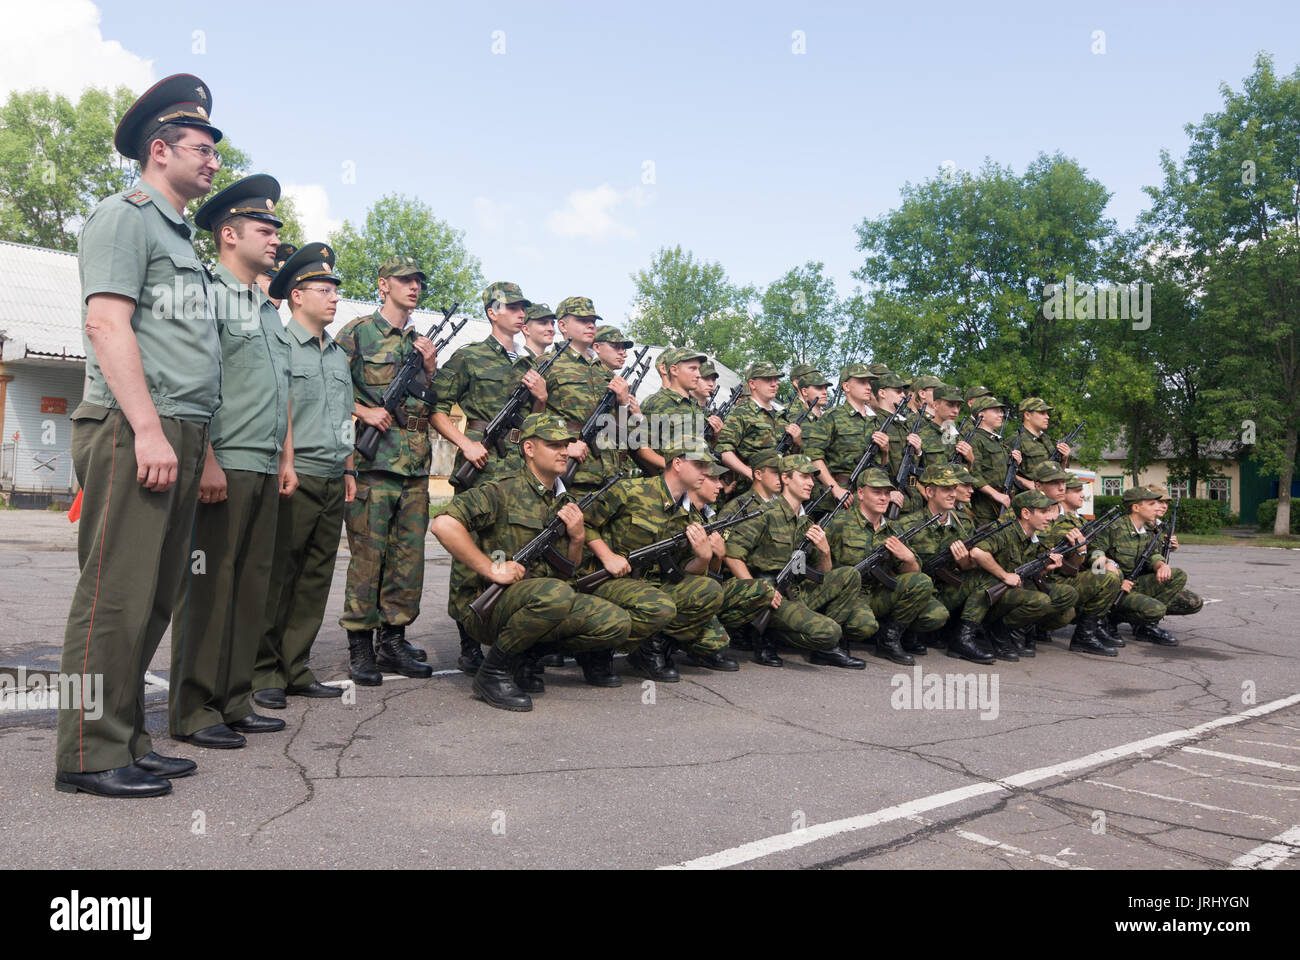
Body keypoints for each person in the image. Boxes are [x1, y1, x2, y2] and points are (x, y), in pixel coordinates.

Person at [55, 74, 223, 797]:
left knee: (154, 596)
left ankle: (125, 735)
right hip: (133, 430)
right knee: (113, 597)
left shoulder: (176, 233)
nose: (214, 161)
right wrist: (149, 431)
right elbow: (106, 323)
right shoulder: (123, 217)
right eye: (201, 148)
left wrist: (191, 440)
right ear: (160, 150)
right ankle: (87, 754)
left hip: (176, 431)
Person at [169, 174, 294, 749]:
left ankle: (235, 699)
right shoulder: (207, 294)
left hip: (265, 465)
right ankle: (195, 709)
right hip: (225, 464)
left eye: (275, 229)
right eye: (264, 230)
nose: (274, 239)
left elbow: (277, 391)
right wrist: (210, 460)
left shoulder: (267, 309)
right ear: (228, 235)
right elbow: (196, 383)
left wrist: (285, 459)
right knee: (209, 585)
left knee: (252, 586)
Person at [431, 413, 632, 710]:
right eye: (553, 445)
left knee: (616, 622)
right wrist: (491, 568)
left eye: (566, 444)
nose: (564, 451)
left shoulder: (564, 501)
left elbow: (567, 572)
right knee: (556, 595)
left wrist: (577, 538)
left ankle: (526, 657)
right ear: (529, 449)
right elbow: (443, 525)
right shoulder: (503, 489)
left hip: (538, 600)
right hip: (486, 607)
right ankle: (493, 671)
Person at [253, 244, 357, 708]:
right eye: (324, 289)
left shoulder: (336, 354)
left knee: (316, 578)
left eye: (336, 290)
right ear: (297, 296)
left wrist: (350, 468)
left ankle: (296, 667)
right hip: (297, 475)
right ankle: (264, 673)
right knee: (280, 576)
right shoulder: (277, 342)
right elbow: (280, 409)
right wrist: (286, 463)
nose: (334, 298)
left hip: (335, 475)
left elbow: (344, 417)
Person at [432, 282, 547, 674]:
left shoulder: (530, 366)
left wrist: (542, 397)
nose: (520, 313)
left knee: (515, 546)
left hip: (519, 465)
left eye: (523, 307)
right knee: (473, 549)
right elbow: (436, 408)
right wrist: (464, 443)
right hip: (482, 462)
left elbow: (538, 422)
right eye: (512, 307)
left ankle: (510, 637)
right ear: (492, 312)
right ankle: (468, 639)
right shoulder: (470, 357)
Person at [335, 257, 440, 684]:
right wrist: (363, 410)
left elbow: (432, 405)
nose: (413, 287)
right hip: (372, 462)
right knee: (368, 557)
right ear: (383, 285)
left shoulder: (421, 343)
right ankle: (360, 645)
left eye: (418, 281)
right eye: (404, 280)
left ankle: (393, 641)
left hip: (414, 465)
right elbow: (327, 385)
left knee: (408, 559)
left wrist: (430, 371)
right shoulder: (357, 332)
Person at [580, 444, 728, 681]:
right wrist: (607, 556)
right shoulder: (631, 491)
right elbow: (584, 522)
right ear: (677, 464)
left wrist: (703, 557)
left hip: (653, 585)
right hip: (611, 580)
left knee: (709, 591)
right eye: (700, 465)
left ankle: (650, 648)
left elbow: (682, 571)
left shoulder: (689, 516)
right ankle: (597, 651)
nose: (705, 472)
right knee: (660, 605)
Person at [722, 455, 870, 669]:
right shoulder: (765, 514)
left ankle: (824, 650)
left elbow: (823, 572)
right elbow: (733, 554)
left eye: (812, 478)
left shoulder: (806, 522)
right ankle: (767, 636)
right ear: (786, 478)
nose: (810, 483)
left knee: (850, 575)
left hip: (795, 591)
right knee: (829, 632)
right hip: (770, 595)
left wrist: (825, 551)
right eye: (804, 477)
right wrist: (759, 591)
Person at [826, 467, 949, 665]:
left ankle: (889, 639)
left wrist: (908, 559)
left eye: (886, 492)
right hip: (849, 596)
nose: (883, 498)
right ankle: (841, 636)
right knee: (863, 626)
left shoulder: (894, 529)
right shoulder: (839, 523)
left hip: (880, 594)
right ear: (860, 493)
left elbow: (913, 574)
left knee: (933, 607)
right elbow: (819, 568)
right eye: (876, 492)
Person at [961, 490, 1078, 661]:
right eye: (1043, 512)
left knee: (1068, 594)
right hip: (988, 592)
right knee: (1040, 601)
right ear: (1026, 513)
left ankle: (1013, 629)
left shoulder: (1033, 537)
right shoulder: (1005, 531)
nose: (1050, 517)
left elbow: (1028, 570)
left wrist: (1047, 568)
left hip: (1013, 590)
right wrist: (1004, 575)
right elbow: (978, 553)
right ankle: (997, 630)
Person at [898, 466, 995, 664]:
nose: (952, 494)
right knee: (935, 614)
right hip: (913, 592)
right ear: (929, 492)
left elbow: (968, 568)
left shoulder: (964, 524)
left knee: (988, 577)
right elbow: (895, 570)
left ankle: (962, 639)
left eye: (953, 488)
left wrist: (964, 561)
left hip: (942, 591)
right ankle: (904, 632)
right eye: (945, 490)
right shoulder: (909, 525)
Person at [1093, 486, 1203, 646]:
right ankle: (1109, 620)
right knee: (1156, 609)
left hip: (1133, 585)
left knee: (1178, 574)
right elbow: (1094, 555)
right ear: (1136, 508)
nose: (1159, 507)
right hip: (1114, 589)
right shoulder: (1113, 527)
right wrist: (1112, 575)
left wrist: (1161, 565)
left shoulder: (1144, 531)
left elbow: (1151, 554)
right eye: (1152, 504)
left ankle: (1146, 625)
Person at [1036, 464, 1123, 656]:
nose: (1082, 495)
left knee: (1110, 574)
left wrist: (1104, 562)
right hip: (1047, 580)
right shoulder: (1045, 517)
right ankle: (1085, 632)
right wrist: (1083, 555)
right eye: (1076, 491)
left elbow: (1094, 549)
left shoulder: (1080, 521)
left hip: (1065, 575)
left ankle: (1093, 626)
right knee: (1107, 579)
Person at [715, 362, 802, 490]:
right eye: (768, 379)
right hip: (752, 491)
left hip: (782, 489)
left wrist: (797, 443)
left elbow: (790, 457)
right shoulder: (741, 413)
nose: (774, 383)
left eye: (776, 379)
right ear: (752, 383)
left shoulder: (782, 415)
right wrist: (749, 473)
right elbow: (723, 450)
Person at [967, 395, 1020, 525]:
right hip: (985, 508)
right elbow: (974, 474)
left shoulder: (998, 441)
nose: (1000, 415)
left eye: (1001, 411)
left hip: (1004, 501)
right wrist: (995, 494)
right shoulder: (975, 439)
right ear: (981, 415)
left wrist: (1016, 463)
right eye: (996, 411)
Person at [1009, 397, 1073, 490]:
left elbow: (1056, 472)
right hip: (1028, 499)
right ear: (1027, 415)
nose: (1047, 417)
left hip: (1049, 496)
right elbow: (1004, 472)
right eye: (1042, 413)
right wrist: (1029, 484)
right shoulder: (1015, 440)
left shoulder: (1046, 440)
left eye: (1047, 413)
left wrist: (1064, 459)